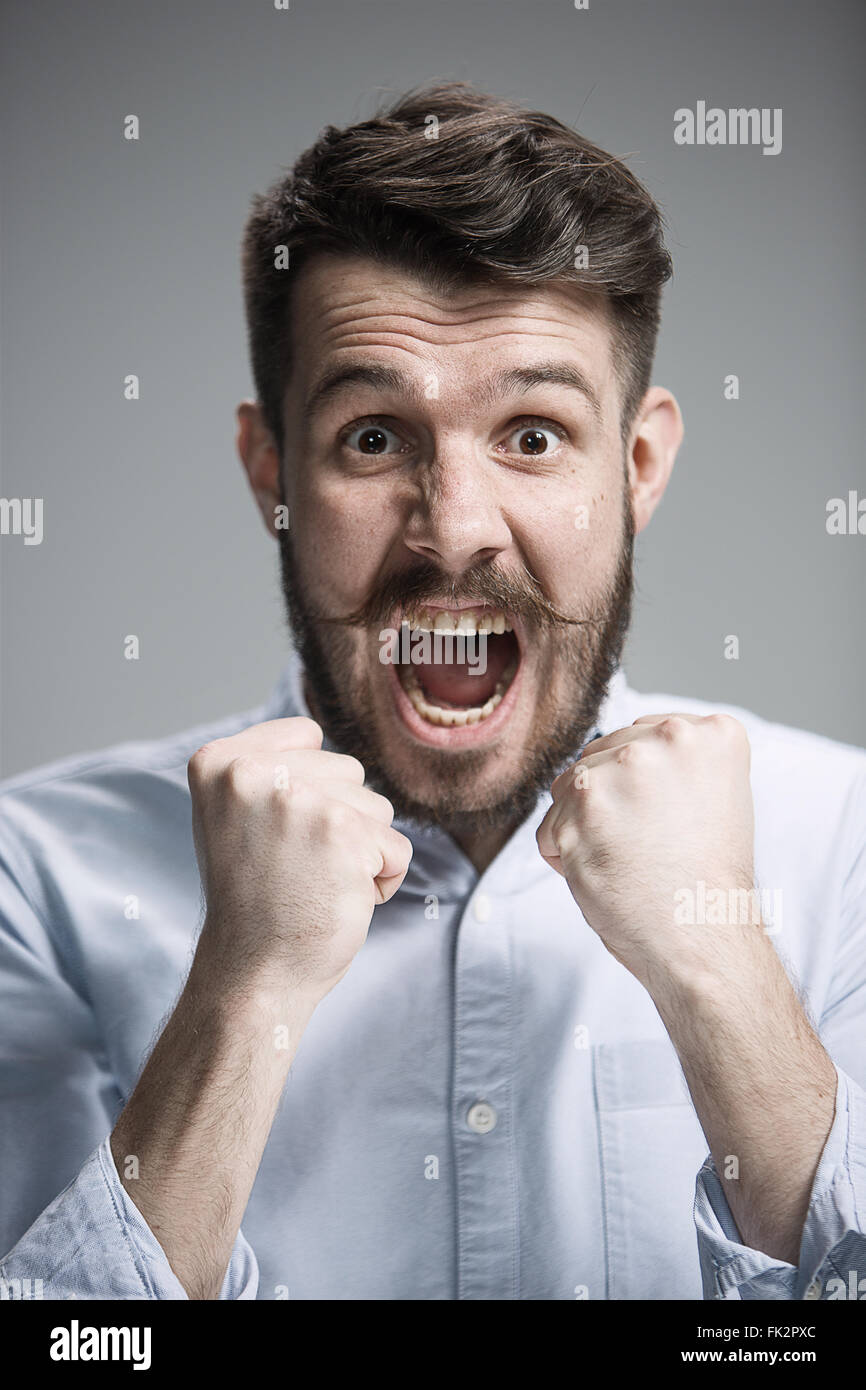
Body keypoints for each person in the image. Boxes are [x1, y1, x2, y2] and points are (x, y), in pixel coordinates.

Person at [1, 83, 863, 1302]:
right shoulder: (34, 879)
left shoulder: (843, 849)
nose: (454, 532)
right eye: (371, 438)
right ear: (270, 472)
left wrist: (723, 973)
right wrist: (240, 996)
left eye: (531, 434)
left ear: (637, 466)